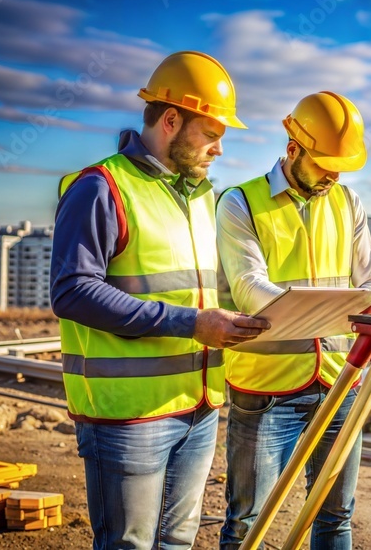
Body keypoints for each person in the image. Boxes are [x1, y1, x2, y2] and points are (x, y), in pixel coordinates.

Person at [50, 50, 270, 550]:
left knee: (177, 542)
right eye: (211, 134)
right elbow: (72, 291)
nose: (218, 149)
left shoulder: (199, 198)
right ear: (171, 120)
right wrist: (192, 323)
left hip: (199, 405)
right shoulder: (101, 187)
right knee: (129, 545)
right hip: (129, 414)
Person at [216, 91, 371, 549]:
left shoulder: (348, 202)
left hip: (340, 382)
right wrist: (340, 312)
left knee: (336, 517)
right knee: (248, 522)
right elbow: (252, 291)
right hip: (266, 388)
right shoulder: (239, 203)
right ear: (292, 149)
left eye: (340, 164)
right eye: (325, 162)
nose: (334, 174)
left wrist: (341, 310)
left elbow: (370, 286)